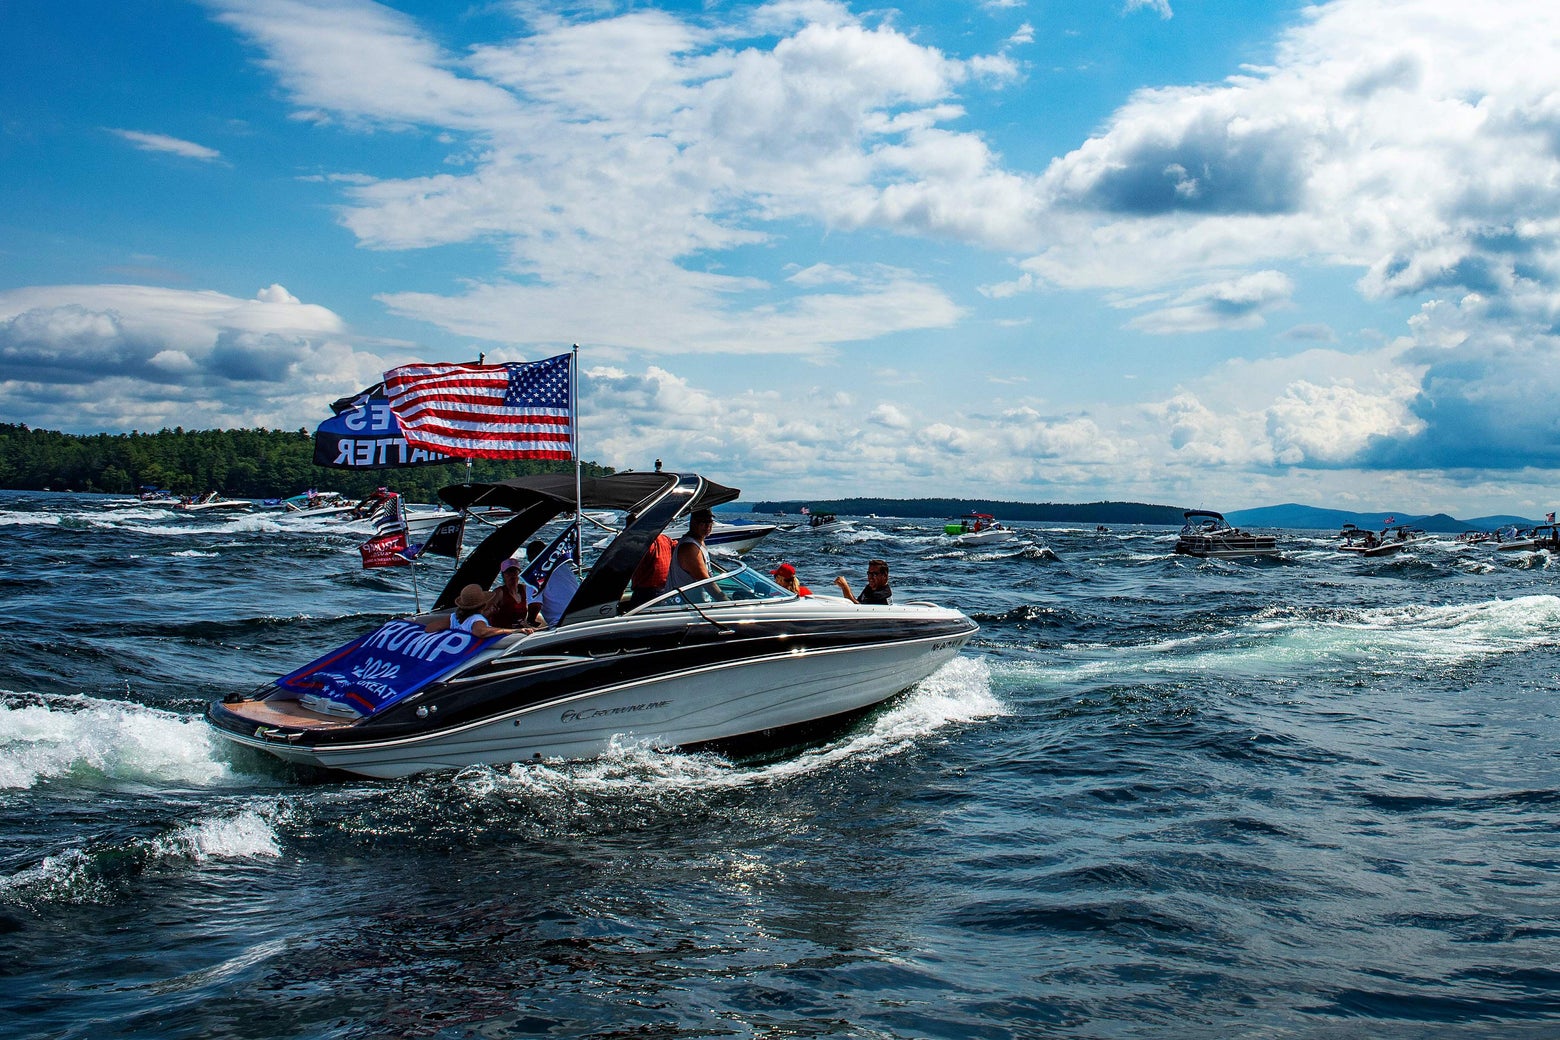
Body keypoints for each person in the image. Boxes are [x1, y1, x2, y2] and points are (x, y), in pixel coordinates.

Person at [664, 508, 724, 600]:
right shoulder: (690, 548)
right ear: (693, 523)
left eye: (709, 522)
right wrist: (724, 600)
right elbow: (706, 582)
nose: (707, 526)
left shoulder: (699, 542)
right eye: (702, 522)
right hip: (687, 607)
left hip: (699, 604)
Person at [421, 584, 516, 639]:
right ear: (484, 605)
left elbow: (429, 628)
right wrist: (512, 631)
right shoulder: (477, 619)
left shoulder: (455, 617)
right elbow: (481, 632)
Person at [624, 511, 675, 608]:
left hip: (645, 594)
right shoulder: (665, 539)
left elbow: (625, 569)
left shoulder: (638, 544)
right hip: (665, 591)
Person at [527, 539, 580, 627]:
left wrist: (528, 622)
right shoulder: (562, 566)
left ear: (530, 558)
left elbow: (535, 605)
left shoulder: (534, 575)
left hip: (561, 623)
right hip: (581, 615)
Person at [486, 558, 542, 631]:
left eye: (515, 572)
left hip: (520, 631)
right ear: (503, 575)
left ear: (519, 574)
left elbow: (536, 604)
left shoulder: (524, 589)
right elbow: (485, 614)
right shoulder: (499, 592)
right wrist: (491, 611)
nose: (512, 575)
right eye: (509, 572)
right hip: (503, 633)